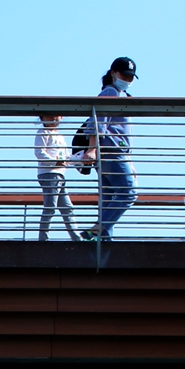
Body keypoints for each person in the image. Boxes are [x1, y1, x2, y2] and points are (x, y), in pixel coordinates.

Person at [73, 58, 138, 240]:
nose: (127, 80)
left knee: (108, 198)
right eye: (124, 75)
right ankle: (97, 229)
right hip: (111, 151)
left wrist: (129, 162)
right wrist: (92, 149)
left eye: (131, 77)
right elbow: (98, 123)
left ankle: (103, 244)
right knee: (128, 192)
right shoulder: (110, 92)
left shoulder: (120, 95)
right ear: (113, 73)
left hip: (116, 153)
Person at [33, 113, 77, 240]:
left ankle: (76, 238)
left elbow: (66, 156)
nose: (53, 118)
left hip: (59, 174)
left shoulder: (60, 136)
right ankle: (43, 239)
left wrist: (79, 160)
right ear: (42, 118)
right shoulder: (43, 132)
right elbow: (39, 152)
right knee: (51, 206)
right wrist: (55, 161)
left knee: (67, 208)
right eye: (49, 115)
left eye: (56, 115)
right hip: (49, 173)